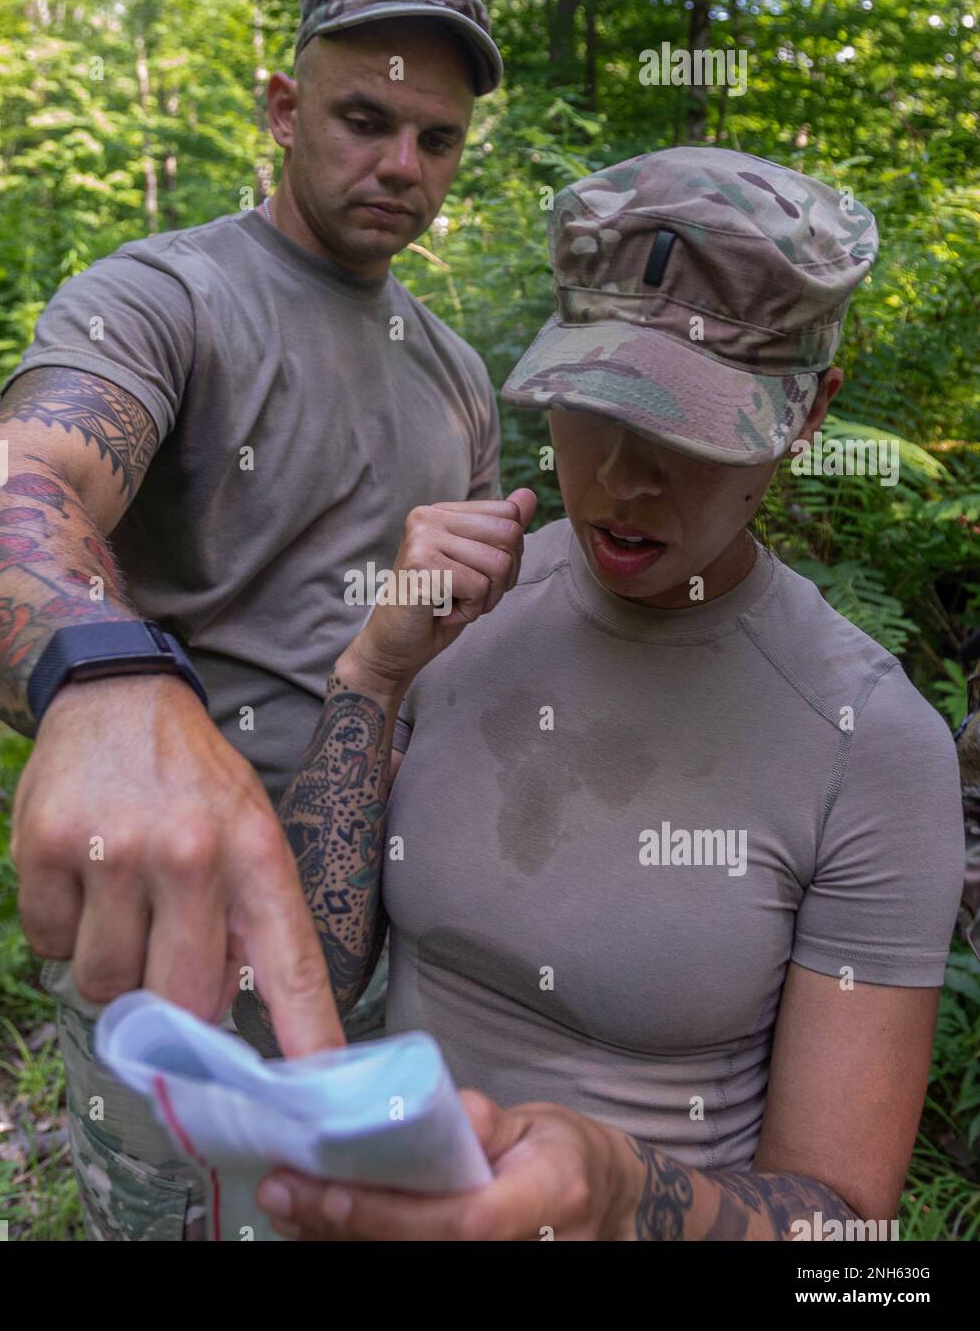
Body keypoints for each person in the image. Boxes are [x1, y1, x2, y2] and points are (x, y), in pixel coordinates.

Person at [240, 148, 967, 1241]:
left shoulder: (865, 744)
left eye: (690, 426)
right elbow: (274, 999)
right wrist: (372, 676)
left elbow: (845, 1232)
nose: (626, 474)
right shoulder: (457, 611)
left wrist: (625, 1193)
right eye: (593, 402)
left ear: (806, 414)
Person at [0, 0, 504, 1241]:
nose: (402, 165)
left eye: (436, 140)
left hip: (383, 943)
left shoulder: (457, 378)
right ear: (282, 109)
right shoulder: (168, 298)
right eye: (362, 120)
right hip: (174, 933)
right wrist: (109, 674)